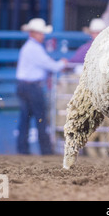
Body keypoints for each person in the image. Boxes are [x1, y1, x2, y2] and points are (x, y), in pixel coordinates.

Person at [16, 18, 68, 155]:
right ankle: (45, 150)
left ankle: (23, 150)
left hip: (24, 86)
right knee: (40, 118)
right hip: (32, 87)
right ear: (32, 33)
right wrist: (62, 64)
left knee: (25, 119)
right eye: (40, 33)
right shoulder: (34, 49)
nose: (42, 36)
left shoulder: (29, 47)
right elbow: (50, 65)